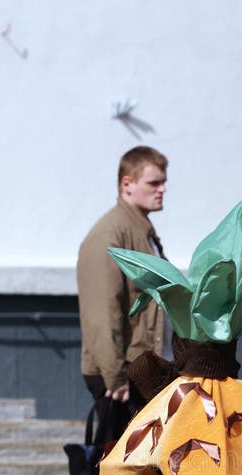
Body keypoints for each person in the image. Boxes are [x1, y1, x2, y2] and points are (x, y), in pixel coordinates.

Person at [76, 145, 171, 437]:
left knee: (142, 474)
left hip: (145, 369)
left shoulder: (142, 231)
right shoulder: (111, 233)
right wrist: (114, 377)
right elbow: (102, 311)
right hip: (124, 376)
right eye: (154, 183)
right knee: (120, 474)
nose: (162, 189)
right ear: (127, 184)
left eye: (163, 182)